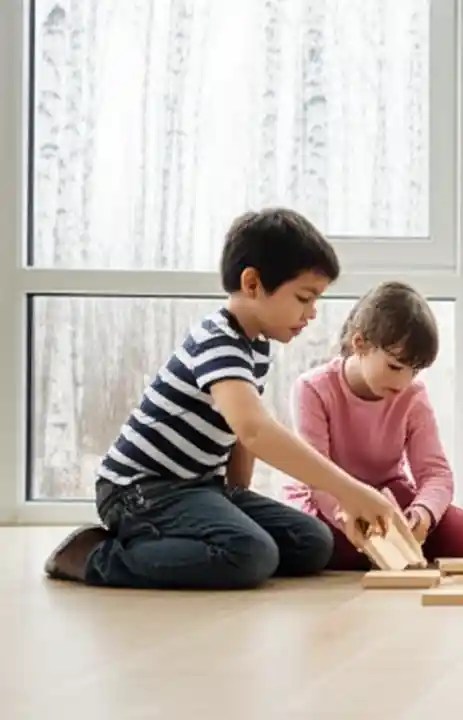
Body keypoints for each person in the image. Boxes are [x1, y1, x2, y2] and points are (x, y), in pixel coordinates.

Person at [43, 208, 401, 589]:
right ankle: (96, 557)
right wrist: (349, 489)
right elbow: (253, 430)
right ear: (252, 284)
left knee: (313, 543)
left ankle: (185, 540)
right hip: (141, 490)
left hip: (199, 486)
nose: (311, 313)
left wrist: (237, 499)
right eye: (303, 298)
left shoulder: (257, 347)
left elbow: (237, 434)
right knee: (249, 553)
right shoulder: (217, 341)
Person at [288, 281, 463, 569]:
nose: (404, 381)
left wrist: (422, 514)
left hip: (388, 496)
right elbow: (318, 479)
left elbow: (435, 474)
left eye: (414, 370)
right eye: (395, 366)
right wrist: (353, 515)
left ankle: (389, 546)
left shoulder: (413, 394)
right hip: (331, 500)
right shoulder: (313, 388)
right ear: (360, 344)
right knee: (322, 546)